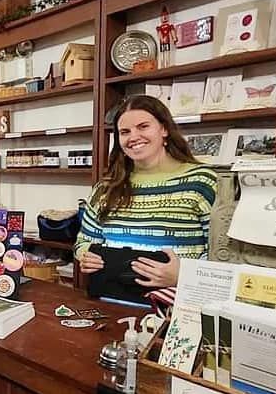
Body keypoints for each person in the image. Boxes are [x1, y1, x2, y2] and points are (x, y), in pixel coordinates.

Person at [75, 95, 218, 304]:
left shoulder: (203, 182)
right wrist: (86, 255)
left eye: (143, 126)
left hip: (176, 309)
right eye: (125, 132)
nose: (133, 137)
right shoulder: (106, 187)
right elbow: (83, 242)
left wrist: (184, 276)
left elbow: (223, 255)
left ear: (164, 129)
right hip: (110, 304)